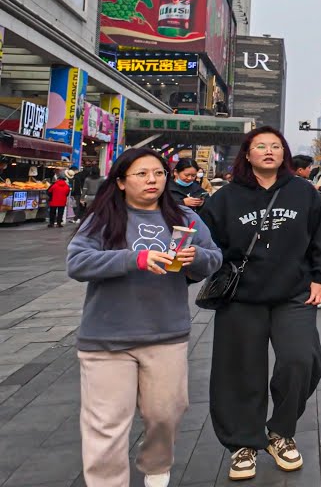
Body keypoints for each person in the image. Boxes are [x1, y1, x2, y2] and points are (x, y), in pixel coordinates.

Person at [66, 147, 223, 487]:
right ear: (121, 181)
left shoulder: (184, 218)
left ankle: (156, 464)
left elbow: (214, 259)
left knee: (165, 413)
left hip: (166, 335)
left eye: (158, 173)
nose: (152, 180)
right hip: (106, 339)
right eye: (141, 174)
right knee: (106, 423)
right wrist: (133, 259)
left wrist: (196, 257)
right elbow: (77, 263)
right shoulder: (103, 217)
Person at [201, 127, 321, 481]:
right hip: (241, 297)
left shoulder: (303, 192)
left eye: (275, 146)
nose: (268, 151)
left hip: (294, 293)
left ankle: (280, 431)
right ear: (247, 154)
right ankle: (243, 442)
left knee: (302, 359)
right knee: (240, 371)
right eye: (260, 146)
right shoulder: (225, 198)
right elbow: (205, 245)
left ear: (284, 154)